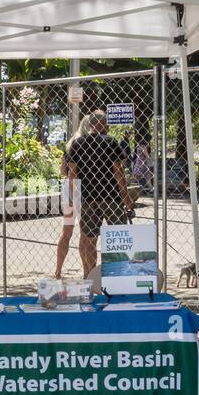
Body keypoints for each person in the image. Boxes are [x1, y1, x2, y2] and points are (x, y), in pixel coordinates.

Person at [67, 110, 135, 275]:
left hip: (88, 198)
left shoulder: (77, 144)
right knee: (118, 238)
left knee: (90, 240)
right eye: (107, 124)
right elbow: (118, 172)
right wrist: (126, 199)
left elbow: (72, 175)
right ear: (101, 125)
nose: (109, 128)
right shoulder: (111, 142)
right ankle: (118, 275)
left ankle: (91, 275)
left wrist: (76, 199)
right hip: (111, 197)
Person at [53, 115, 97, 279]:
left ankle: (58, 271)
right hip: (84, 188)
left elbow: (63, 170)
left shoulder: (71, 143)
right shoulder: (90, 144)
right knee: (85, 232)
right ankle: (86, 271)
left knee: (66, 231)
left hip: (69, 188)